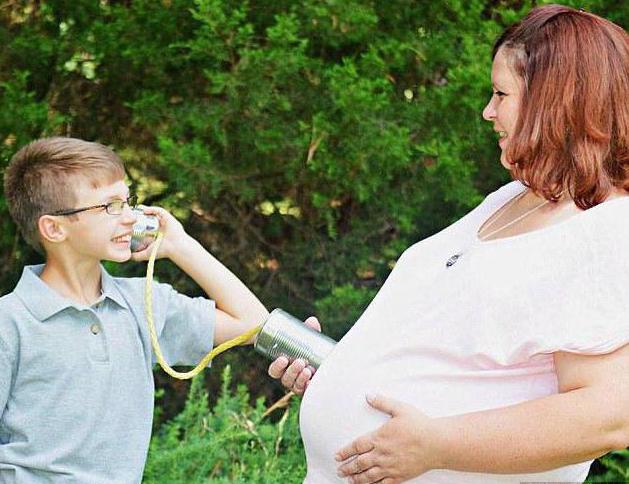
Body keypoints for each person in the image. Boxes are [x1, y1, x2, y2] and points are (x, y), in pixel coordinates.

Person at [269, 4, 629, 483]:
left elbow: (608, 415)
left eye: (502, 94)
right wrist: (337, 373)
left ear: (558, 103)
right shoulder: (512, 199)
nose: (488, 111)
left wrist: (436, 447)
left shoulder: (604, 231)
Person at [0, 137, 274, 482]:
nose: (130, 217)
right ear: (54, 228)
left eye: (128, 201)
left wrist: (181, 246)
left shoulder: (143, 303)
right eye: (109, 206)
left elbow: (253, 324)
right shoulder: (9, 323)